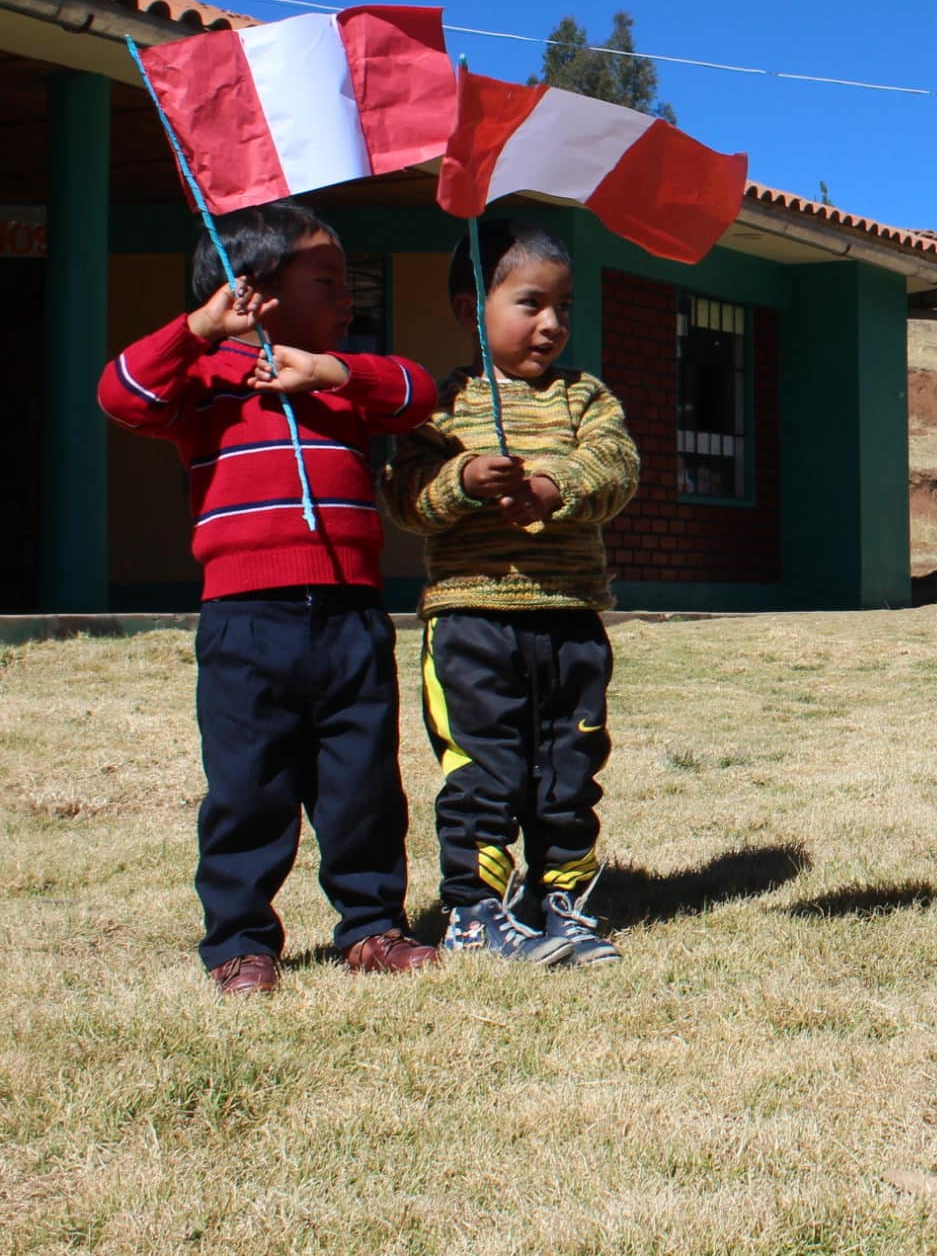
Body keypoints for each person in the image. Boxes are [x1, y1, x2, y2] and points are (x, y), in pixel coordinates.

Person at [98, 200, 442, 995]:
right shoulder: (201, 385)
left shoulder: (345, 378)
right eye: (327, 279)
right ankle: (241, 941)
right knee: (248, 787)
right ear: (252, 290)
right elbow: (121, 395)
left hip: (353, 615)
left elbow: (417, 392)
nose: (347, 293)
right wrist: (199, 328)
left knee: (362, 782)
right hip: (246, 621)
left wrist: (328, 370)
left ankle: (372, 925)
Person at [381, 220, 640, 966]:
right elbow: (403, 496)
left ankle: (562, 901)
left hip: (569, 621)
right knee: (482, 768)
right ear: (473, 310)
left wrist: (555, 485)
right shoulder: (439, 406)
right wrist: (459, 481)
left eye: (564, 306)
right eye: (531, 303)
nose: (552, 323)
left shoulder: (586, 398)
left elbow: (616, 466)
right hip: (469, 623)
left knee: (568, 767)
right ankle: (473, 911)